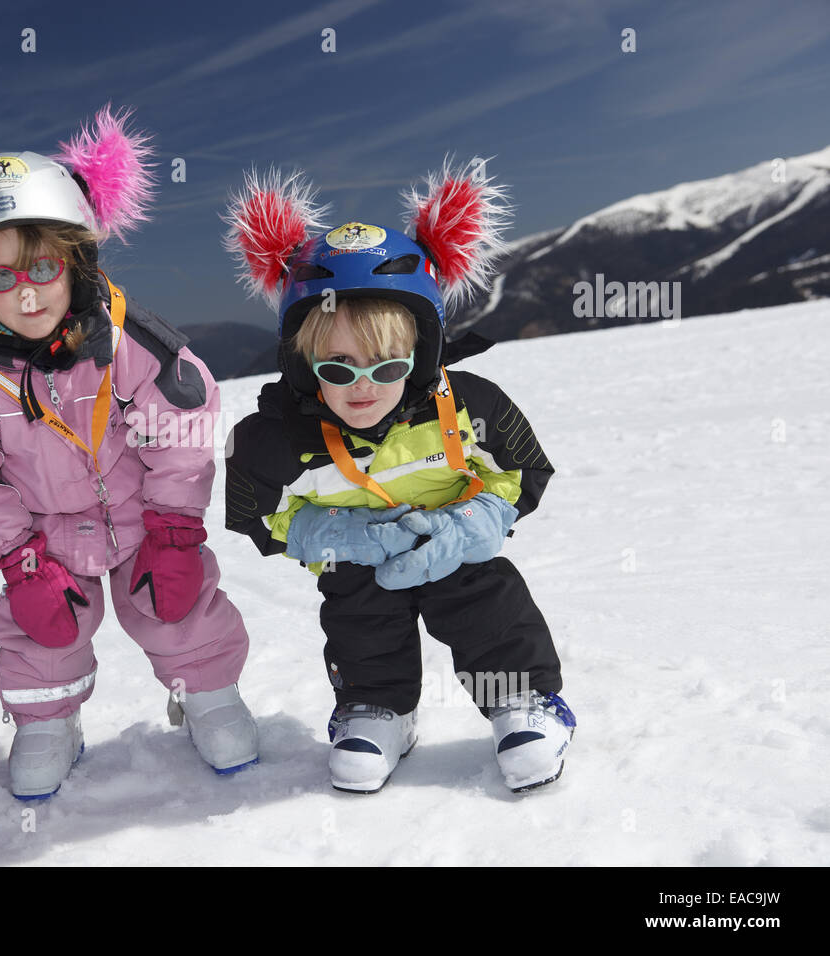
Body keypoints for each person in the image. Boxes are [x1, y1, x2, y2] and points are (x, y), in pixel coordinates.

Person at [0, 107, 257, 799]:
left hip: (145, 518)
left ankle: (209, 693)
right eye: (2, 277)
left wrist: (174, 525)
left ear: (76, 262)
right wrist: (17, 555)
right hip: (47, 537)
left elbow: (184, 422)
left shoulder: (126, 342)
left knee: (180, 608)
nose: (28, 291)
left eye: (43, 267)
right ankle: (49, 722)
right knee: (44, 631)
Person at [222, 163, 575, 794]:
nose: (364, 387)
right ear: (303, 364)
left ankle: (523, 702)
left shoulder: (471, 407)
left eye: (388, 367)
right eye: (339, 366)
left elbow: (522, 472)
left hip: (454, 544)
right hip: (362, 564)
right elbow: (260, 514)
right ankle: (378, 707)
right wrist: (336, 536)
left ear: (423, 357)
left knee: (484, 597)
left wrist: (473, 523)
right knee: (358, 607)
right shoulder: (277, 441)